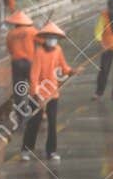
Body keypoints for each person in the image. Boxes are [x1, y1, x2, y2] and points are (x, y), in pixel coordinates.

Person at [20, 21, 73, 164]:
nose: (52, 40)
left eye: (54, 37)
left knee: (52, 123)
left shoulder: (58, 50)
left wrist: (70, 71)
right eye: (49, 37)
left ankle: (52, 151)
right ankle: (26, 150)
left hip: (53, 94)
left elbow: (63, 67)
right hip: (38, 95)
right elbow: (33, 76)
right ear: (45, 38)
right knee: (34, 122)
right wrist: (36, 94)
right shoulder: (39, 52)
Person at [5, 10, 36, 118]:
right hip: (30, 62)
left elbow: (10, 49)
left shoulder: (10, 34)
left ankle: (20, 116)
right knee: (34, 86)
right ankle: (36, 110)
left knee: (18, 90)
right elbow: (42, 42)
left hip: (16, 63)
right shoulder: (32, 31)